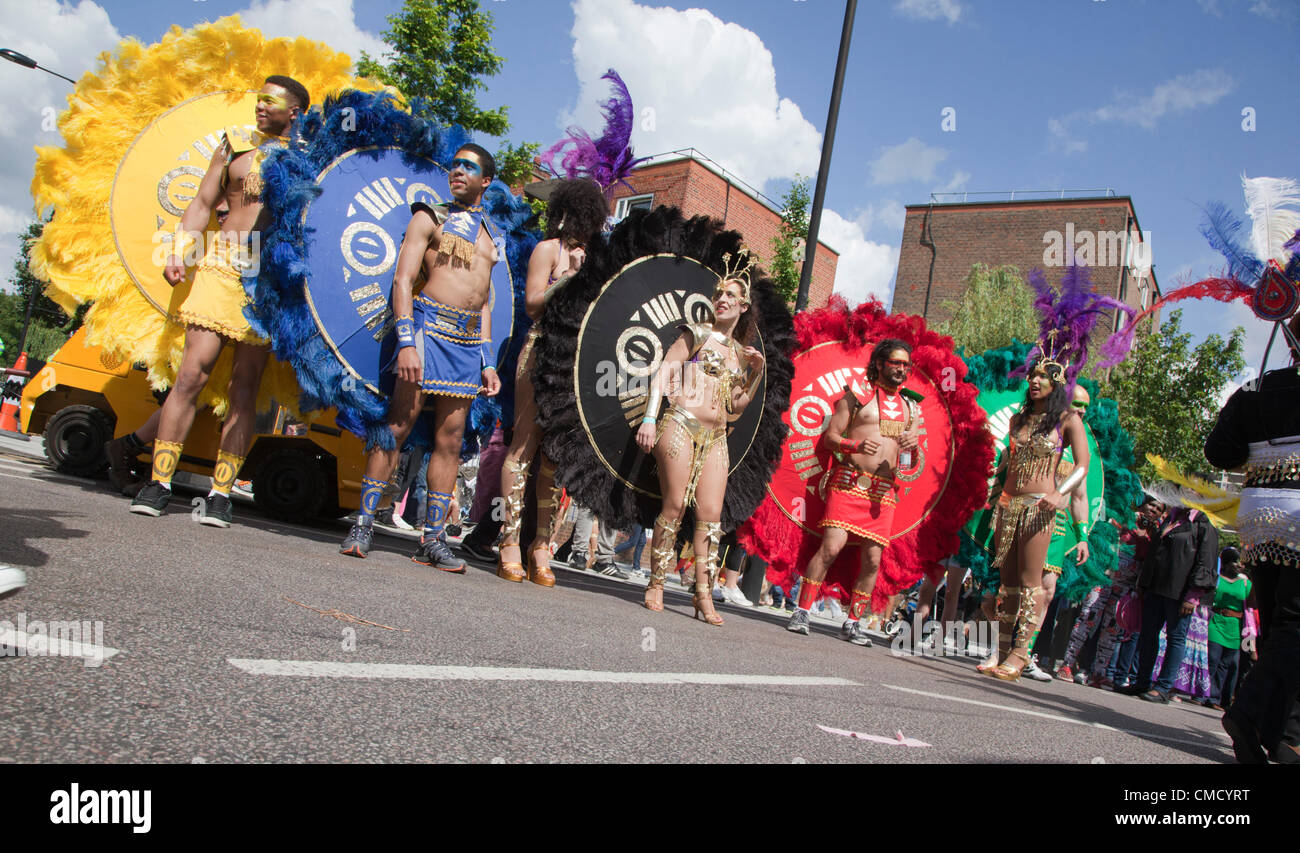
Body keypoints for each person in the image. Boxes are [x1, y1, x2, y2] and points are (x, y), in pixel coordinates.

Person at [128, 77, 309, 527]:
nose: (260, 107)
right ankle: (159, 484)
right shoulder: (234, 143)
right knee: (191, 374)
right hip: (224, 262)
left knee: (244, 388)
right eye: (258, 99)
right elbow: (203, 202)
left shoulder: (310, 162)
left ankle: (221, 493)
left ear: (296, 112)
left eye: (271, 101)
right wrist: (180, 251)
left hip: (268, 277)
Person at [337, 144, 503, 569]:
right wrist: (407, 341)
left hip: (467, 345)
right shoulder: (429, 215)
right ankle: (363, 523)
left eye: (470, 167)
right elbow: (403, 278)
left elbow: (484, 302)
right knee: (397, 425)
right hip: (426, 331)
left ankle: (432, 541)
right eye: (456, 165)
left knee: (450, 441)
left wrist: (487, 360)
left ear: (486, 181)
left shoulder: (490, 234)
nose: (458, 172)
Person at [636, 254, 766, 625]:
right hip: (680, 423)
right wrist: (649, 417)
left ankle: (703, 593)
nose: (722, 299)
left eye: (730, 295)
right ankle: (657, 581)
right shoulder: (695, 333)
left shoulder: (743, 355)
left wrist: (756, 374)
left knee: (710, 518)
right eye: (719, 293)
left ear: (743, 306)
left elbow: (737, 407)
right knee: (674, 505)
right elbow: (665, 371)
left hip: (716, 436)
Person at [496, 179, 608, 587]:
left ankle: (541, 544)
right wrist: (569, 278)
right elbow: (531, 303)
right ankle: (508, 540)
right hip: (542, 349)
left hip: (576, 363)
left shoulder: (599, 259)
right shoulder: (549, 250)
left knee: (556, 457)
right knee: (524, 444)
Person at [1205, 312, 1300, 762]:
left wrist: (1262, 442)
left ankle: (1277, 731)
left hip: (1258, 511)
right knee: (1294, 625)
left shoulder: (1255, 388)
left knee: (1278, 622)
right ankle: (1247, 715)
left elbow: (1219, 451)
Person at [784, 339, 922, 644]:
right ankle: (802, 610)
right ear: (881, 363)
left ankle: (853, 622)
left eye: (906, 365)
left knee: (873, 560)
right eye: (896, 363)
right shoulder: (856, 394)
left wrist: (911, 447)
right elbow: (830, 438)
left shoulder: (911, 408)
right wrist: (854, 445)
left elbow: (910, 462)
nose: (902, 369)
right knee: (831, 548)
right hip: (848, 482)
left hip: (883, 493)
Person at [978, 353, 1091, 680]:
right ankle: (1000, 652)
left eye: (1043, 377)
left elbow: (1082, 465)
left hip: (1039, 509)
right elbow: (1008, 465)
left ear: (1056, 383)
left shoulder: (1068, 420)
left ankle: (1020, 654)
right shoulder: (1018, 420)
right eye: (1032, 376)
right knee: (1007, 586)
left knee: (1031, 585)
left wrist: (1058, 494)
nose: (1035, 381)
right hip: (1008, 506)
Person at [1121, 499, 1218, 702]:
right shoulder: (1171, 519)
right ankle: (1142, 681)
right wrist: (1143, 582)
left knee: (1176, 637)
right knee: (1148, 635)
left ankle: (1164, 687)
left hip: (1180, 592)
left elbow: (1205, 561)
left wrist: (1193, 596)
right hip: (1156, 587)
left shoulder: (1203, 523)